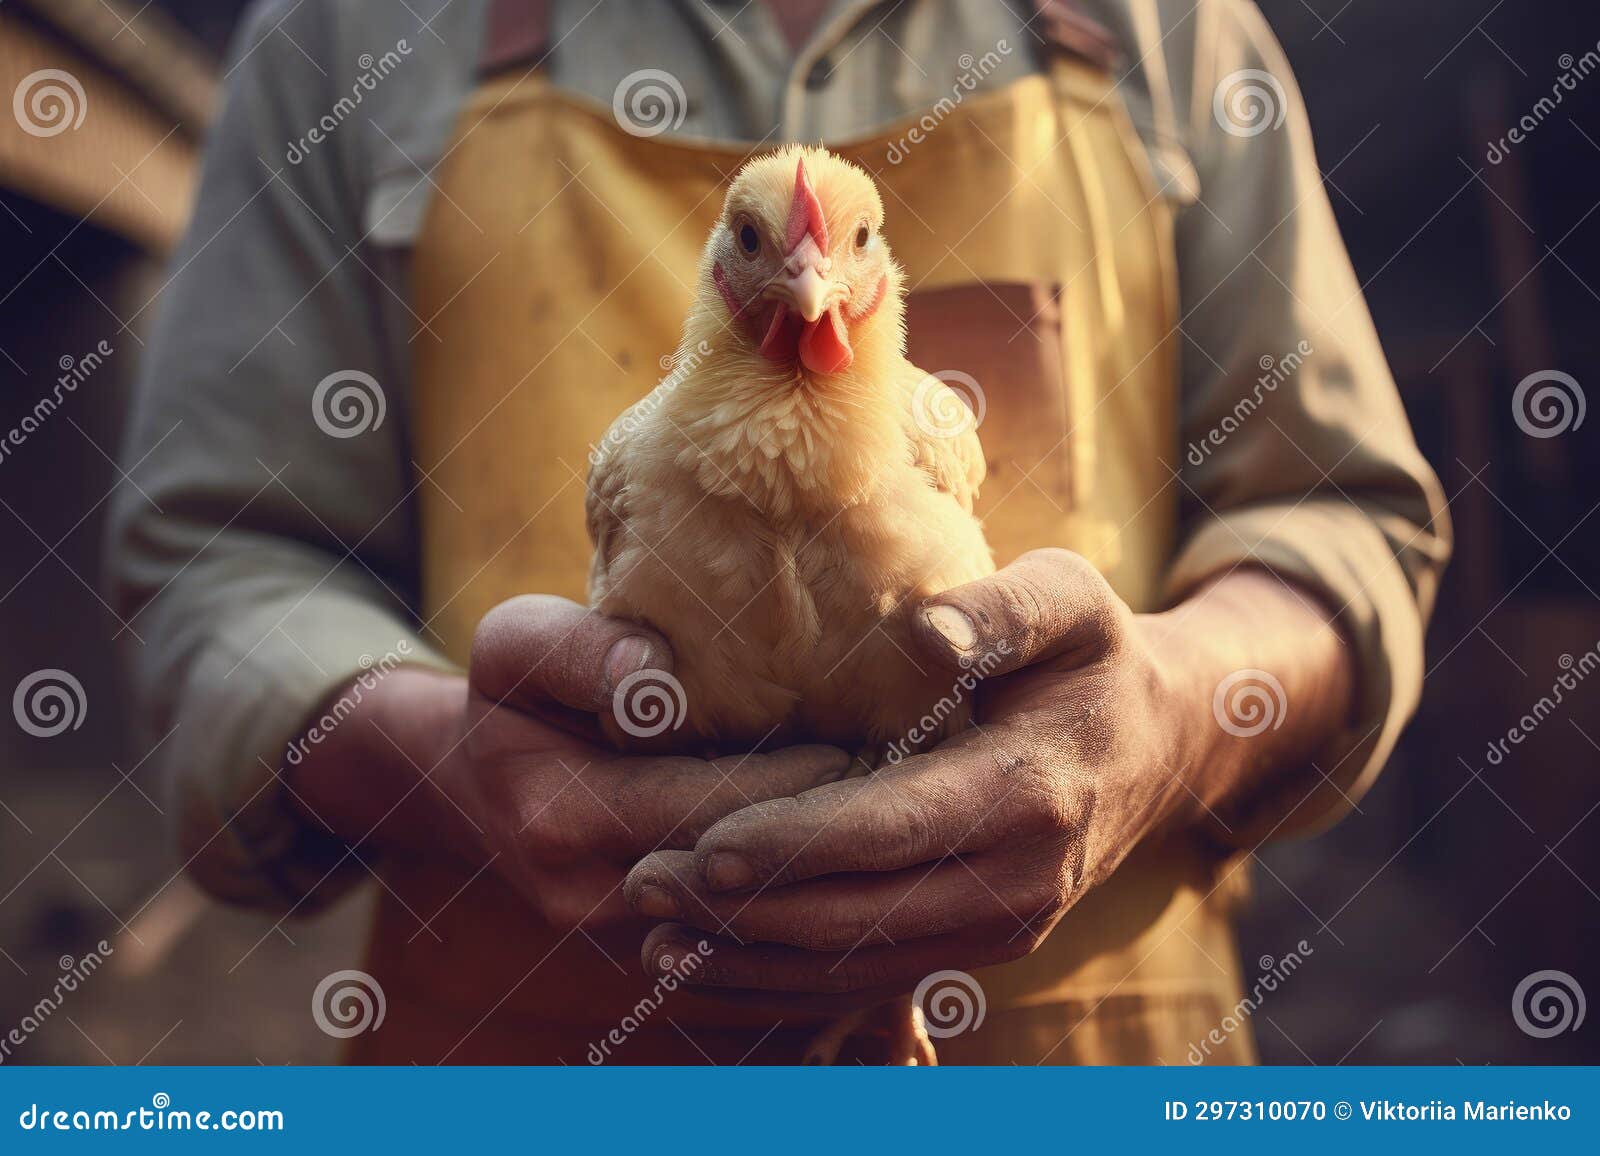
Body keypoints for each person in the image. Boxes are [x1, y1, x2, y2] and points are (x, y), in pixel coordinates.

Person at [110, 0, 1450, 1064]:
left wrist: (1166, 715)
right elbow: (218, 560)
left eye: (839, 253)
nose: (811, 277)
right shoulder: (347, 36)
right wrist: (435, 761)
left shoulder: (1176, 28)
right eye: (764, 250)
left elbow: (1343, 523)